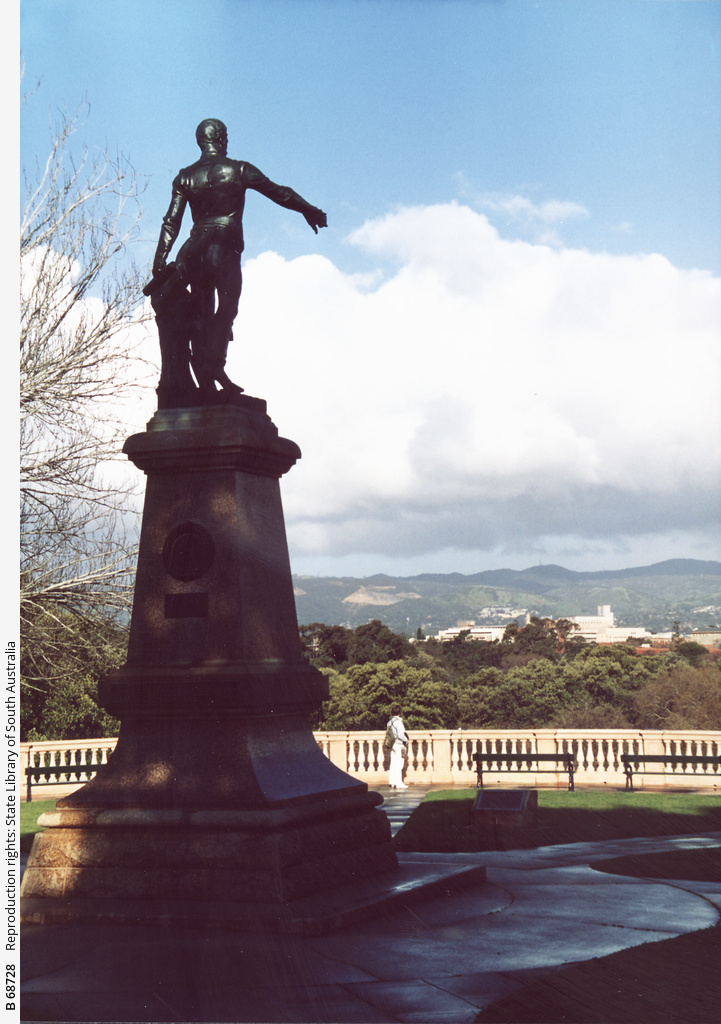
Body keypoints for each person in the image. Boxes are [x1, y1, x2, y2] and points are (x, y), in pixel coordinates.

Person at [148, 118, 327, 405]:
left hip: (192, 250)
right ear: (220, 138)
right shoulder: (238, 169)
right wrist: (310, 210)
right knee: (228, 308)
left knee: (202, 311)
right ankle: (212, 366)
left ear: (200, 141)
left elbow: (171, 222)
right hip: (223, 245)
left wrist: (160, 260)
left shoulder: (184, 177)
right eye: (226, 135)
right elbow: (280, 193)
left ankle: (207, 379)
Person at [387, 704, 409, 789]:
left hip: (392, 744)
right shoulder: (398, 722)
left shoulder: (389, 722)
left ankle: (392, 782)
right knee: (399, 763)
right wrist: (406, 740)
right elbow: (400, 734)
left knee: (393, 763)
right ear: (399, 713)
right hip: (398, 744)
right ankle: (399, 783)